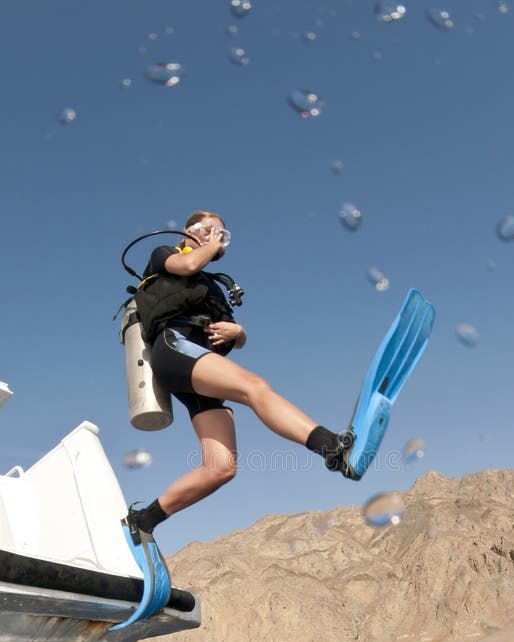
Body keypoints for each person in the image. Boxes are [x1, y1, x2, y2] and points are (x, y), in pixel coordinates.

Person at [127, 209, 348, 537]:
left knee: (221, 467)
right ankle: (332, 447)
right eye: (206, 230)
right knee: (254, 387)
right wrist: (208, 246)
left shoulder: (213, 286)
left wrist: (239, 333)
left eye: (220, 234)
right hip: (175, 347)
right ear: (187, 232)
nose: (213, 236)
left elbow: (233, 337)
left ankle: (144, 521)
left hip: (199, 364)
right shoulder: (165, 255)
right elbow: (188, 265)